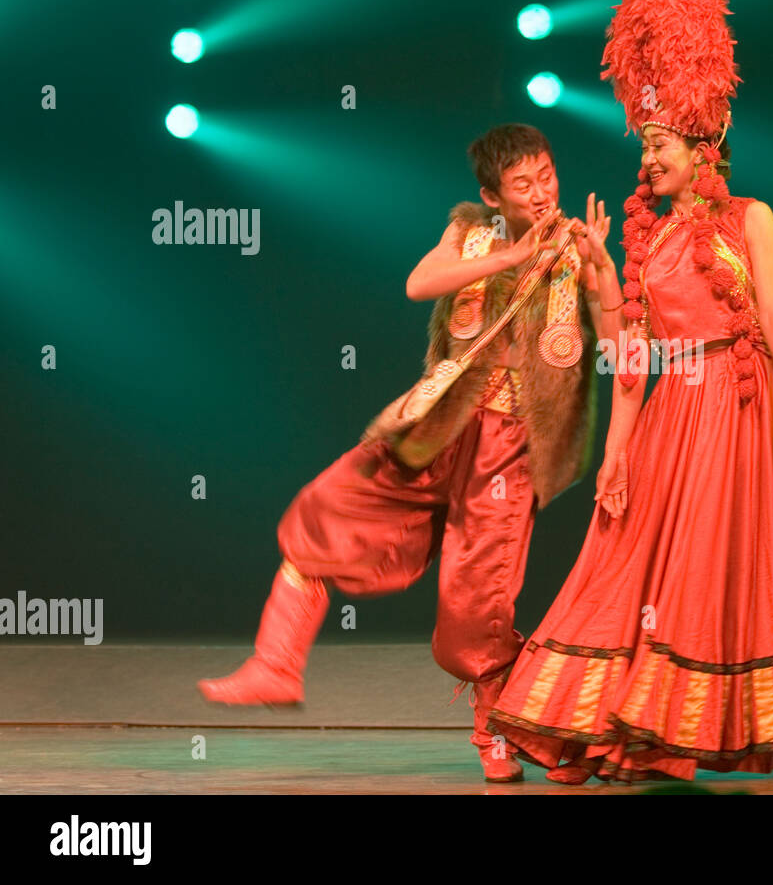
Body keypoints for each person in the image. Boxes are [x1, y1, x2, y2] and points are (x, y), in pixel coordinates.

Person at [486, 0, 773, 784]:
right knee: (638, 565)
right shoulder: (644, 241)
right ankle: (622, 730)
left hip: (748, 407)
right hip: (674, 418)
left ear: (701, 146)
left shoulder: (751, 221)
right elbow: (631, 357)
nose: (649, 160)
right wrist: (614, 449)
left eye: (661, 146)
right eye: (645, 147)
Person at [196, 123, 622, 783]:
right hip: (437, 428)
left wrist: (599, 266)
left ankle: (508, 733)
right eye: (522, 185)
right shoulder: (471, 230)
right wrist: (508, 259)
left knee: (473, 607)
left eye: (547, 176)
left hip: (507, 449)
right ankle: (276, 663)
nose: (541, 193)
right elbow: (420, 283)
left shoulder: (577, 244)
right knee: (327, 510)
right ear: (492, 194)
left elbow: (618, 334)